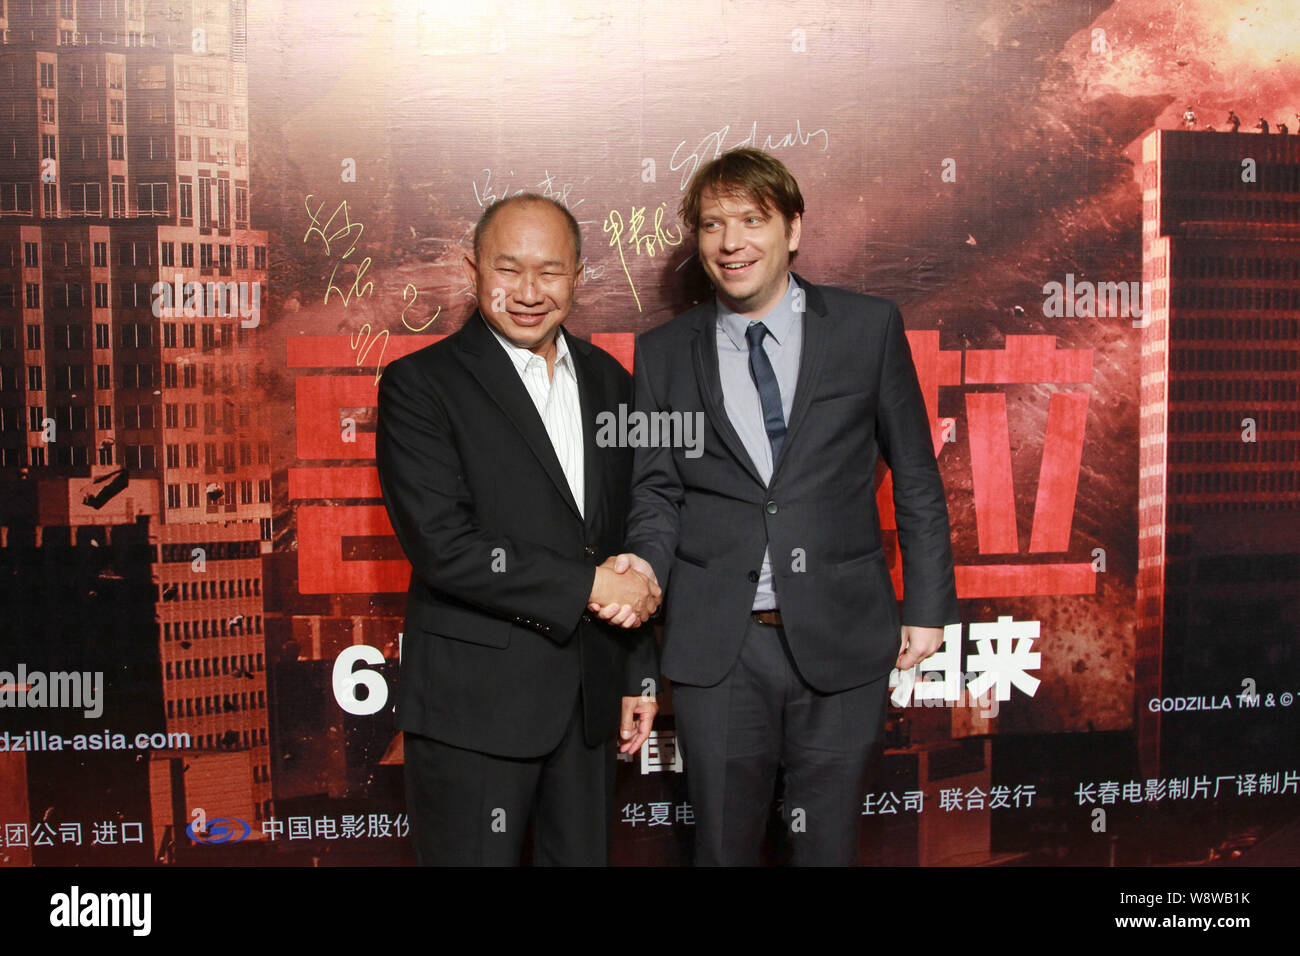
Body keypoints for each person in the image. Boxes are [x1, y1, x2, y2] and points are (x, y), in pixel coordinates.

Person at [596, 148, 959, 865]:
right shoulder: (663, 353)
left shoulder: (868, 328)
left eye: (751, 220)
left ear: (792, 228)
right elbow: (656, 488)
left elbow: (915, 473)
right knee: (721, 850)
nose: (731, 243)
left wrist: (927, 604)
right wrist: (639, 567)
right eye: (711, 225)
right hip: (719, 647)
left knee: (826, 850)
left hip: (845, 631)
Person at [376, 193, 659, 865]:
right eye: (509, 269)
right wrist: (589, 585)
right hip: (473, 710)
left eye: (550, 271)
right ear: (473, 270)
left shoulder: (610, 383)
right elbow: (444, 546)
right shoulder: (420, 386)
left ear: (579, 275)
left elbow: (626, 539)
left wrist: (634, 677)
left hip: (589, 708)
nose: (529, 292)